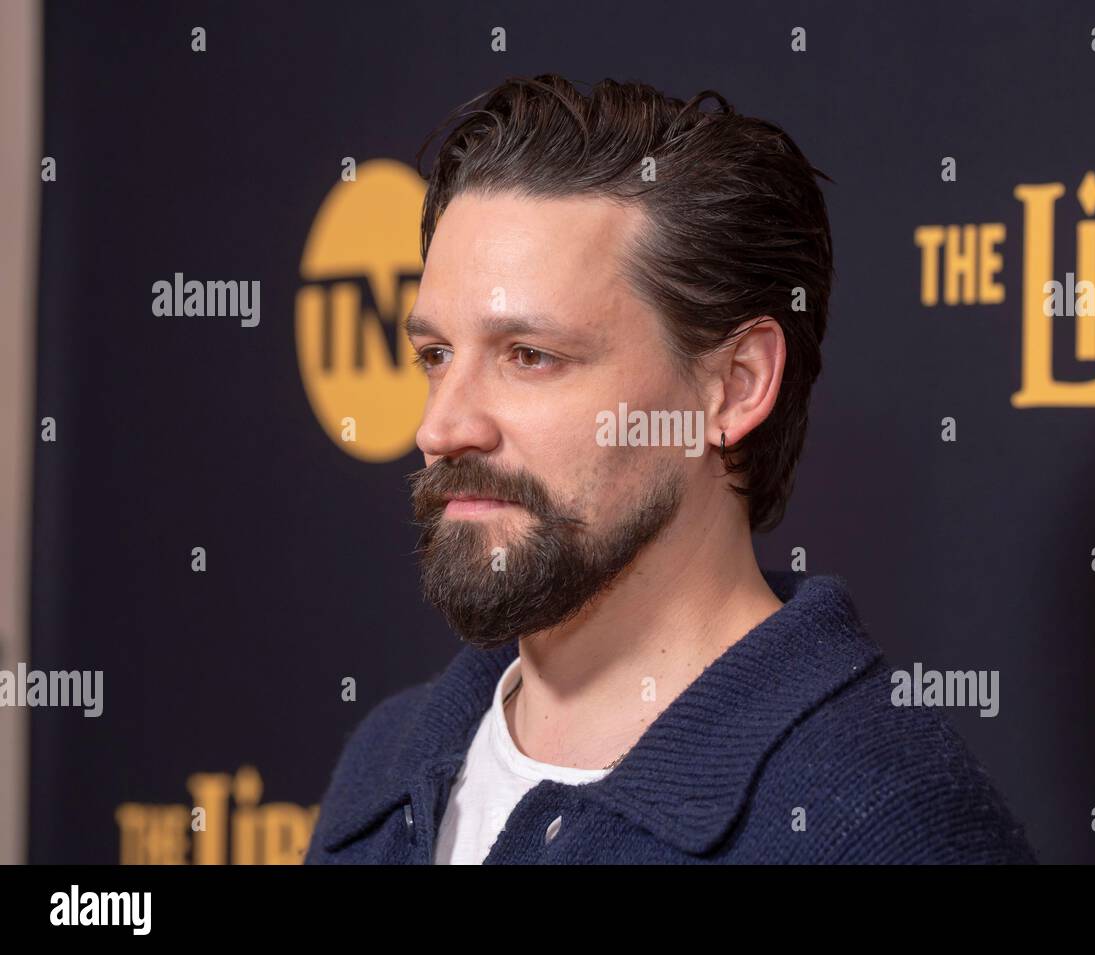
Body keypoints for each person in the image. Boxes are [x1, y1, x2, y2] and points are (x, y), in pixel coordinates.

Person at [305, 74, 1036, 864]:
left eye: (530, 356)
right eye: (436, 355)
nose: (440, 426)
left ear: (736, 384)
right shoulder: (382, 767)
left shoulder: (882, 826)